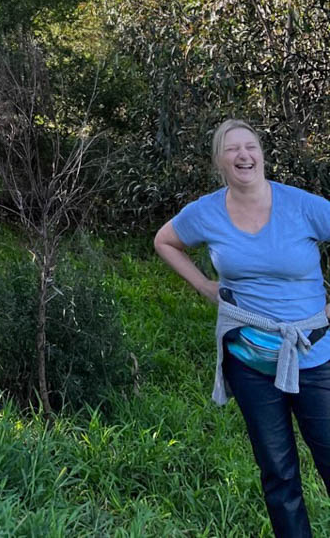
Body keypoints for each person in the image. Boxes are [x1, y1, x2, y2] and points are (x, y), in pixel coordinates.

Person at [154, 118, 330, 537]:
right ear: (220, 160)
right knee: (279, 473)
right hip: (250, 360)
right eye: (232, 149)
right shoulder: (206, 212)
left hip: (315, 354)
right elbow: (164, 240)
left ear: (262, 154)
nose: (243, 155)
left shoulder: (302, 205)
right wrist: (204, 286)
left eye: (249, 146)